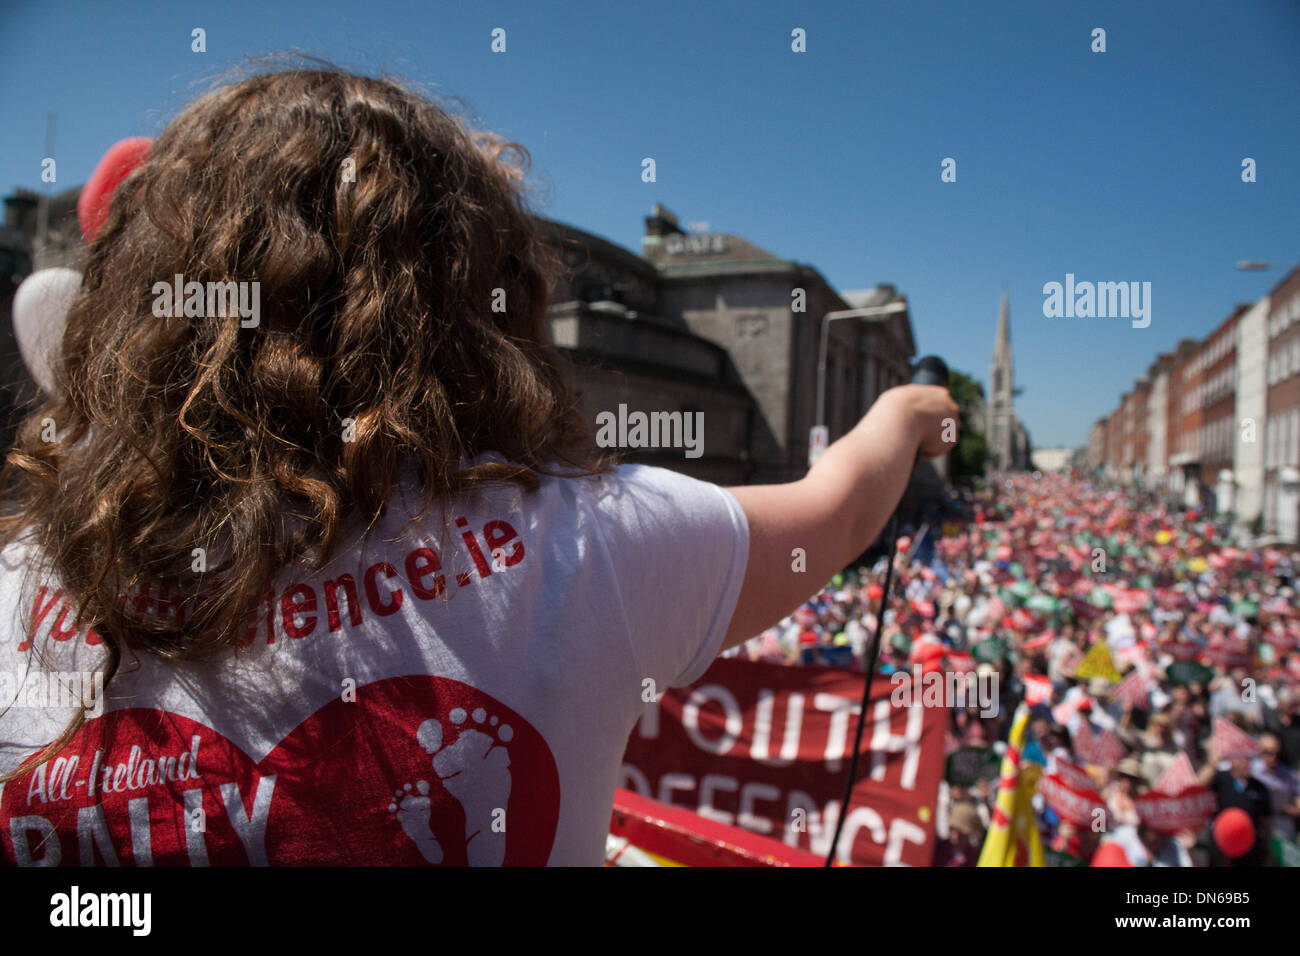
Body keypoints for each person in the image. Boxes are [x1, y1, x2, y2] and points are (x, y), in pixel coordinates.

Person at [0, 64, 958, 866]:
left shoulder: (14, 585)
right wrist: (907, 411)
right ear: (481, 302)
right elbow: (833, 514)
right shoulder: (584, 549)